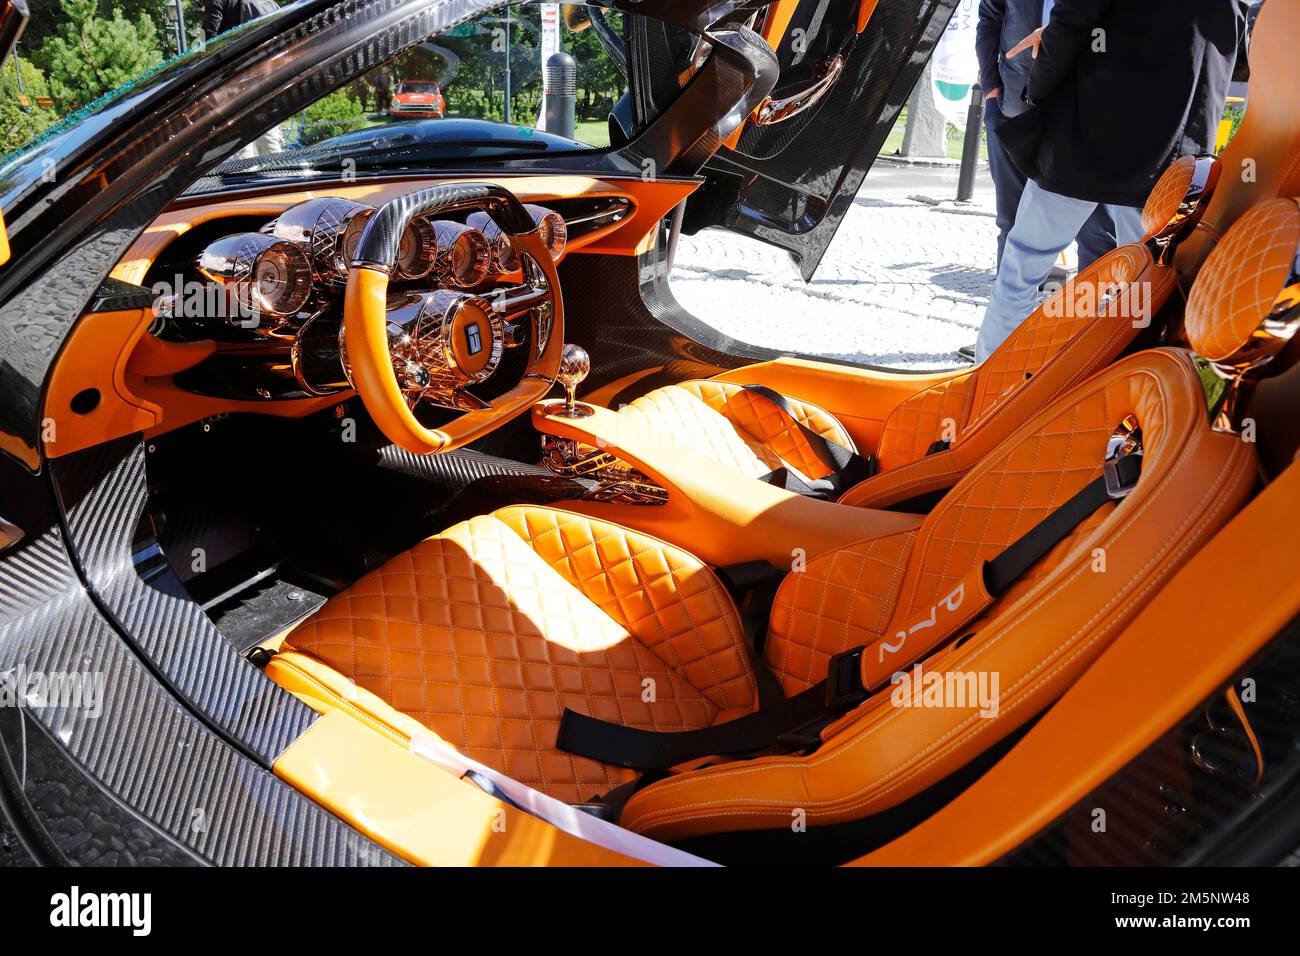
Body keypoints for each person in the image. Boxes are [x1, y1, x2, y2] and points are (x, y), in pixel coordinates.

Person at [974, 0, 1244, 362]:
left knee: (1022, 267)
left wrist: (1037, 92)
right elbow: (1229, 41)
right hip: (1168, 147)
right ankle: (1124, 389)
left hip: (1086, 130)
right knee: (1146, 286)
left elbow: (1073, 19)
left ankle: (986, 385)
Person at [975, 0, 1114, 272]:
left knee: (1096, 222)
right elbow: (989, 21)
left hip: (1082, 111)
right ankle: (1013, 305)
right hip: (1013, 109)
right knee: (1012, 216)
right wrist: (991, 90)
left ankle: (1097, 303)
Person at [203, 0, 284, 156]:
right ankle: (278, 173)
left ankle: (248, 176)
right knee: (269, 139)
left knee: (243, 145)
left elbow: (208, 43)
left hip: (235, 82)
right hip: (267, 77)